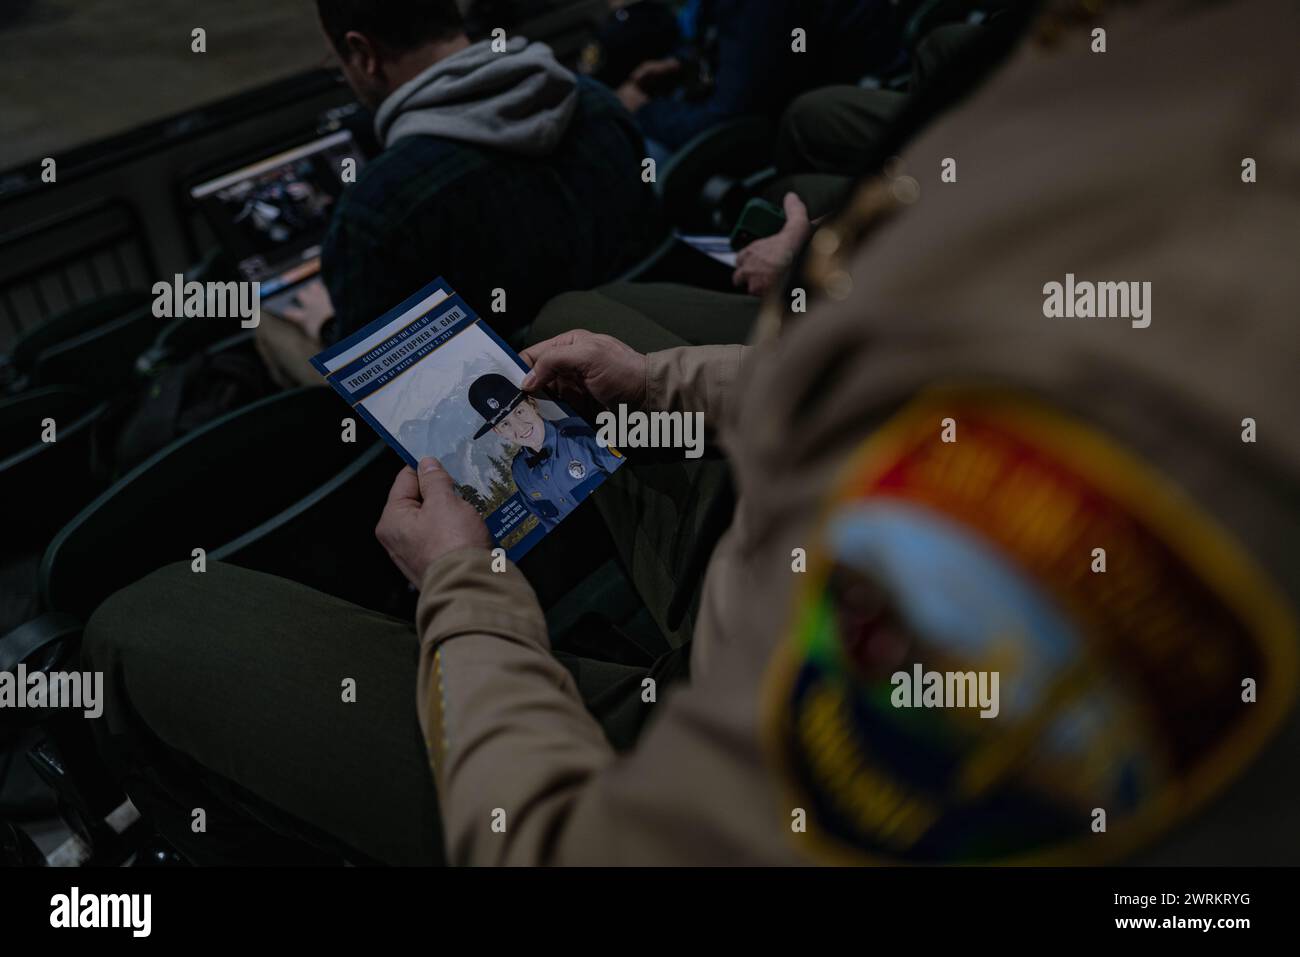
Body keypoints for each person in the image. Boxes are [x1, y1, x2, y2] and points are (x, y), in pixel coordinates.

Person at [84, 0, 1300, 865]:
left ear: (357, 55)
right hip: (778, 576)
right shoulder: (1152, 78)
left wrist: (464, 593)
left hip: (684, 749)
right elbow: (942, 381)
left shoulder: (1175, 332)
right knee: (574, 333)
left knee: (141, 616)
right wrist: (661, 378)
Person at [258, 0, 664, 382]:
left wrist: (328, 325)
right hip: (641, 357)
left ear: (363, 53)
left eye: (337, 63)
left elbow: (385, 384)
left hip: (517, 405)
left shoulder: (377, 207)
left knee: (264, 320)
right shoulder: (597, 103)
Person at [617, 0, 901, 159]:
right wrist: (682, 61)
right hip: (783, 87)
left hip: (805, 122)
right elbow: (723, 29)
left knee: (635, 156)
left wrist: (642, 110)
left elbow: (730, 121)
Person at [468, 372, 623, 531]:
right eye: (505, 424)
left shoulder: (584, 434)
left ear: (532, 404)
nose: (520, 428)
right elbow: (549, 525)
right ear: (498, 432)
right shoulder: (520, 473)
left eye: (519, 412)